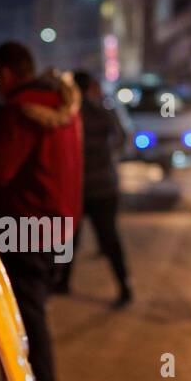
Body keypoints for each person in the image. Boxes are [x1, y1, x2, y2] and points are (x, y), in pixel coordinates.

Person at [0, 41, 82, 381]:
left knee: (26, 320)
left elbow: (0, 170)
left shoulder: (19, 111)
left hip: (24, 224)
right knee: (32, 311)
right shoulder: (66, 109)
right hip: (59, 226)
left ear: (8, 72)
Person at [54, 71, 131, 307]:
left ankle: (63, 281)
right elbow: (122, 137)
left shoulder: (70, 114)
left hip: (78, 187)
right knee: (109, 237)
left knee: (69, 238)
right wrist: (109, 157)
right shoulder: (104, 111)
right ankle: (124, 285)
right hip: (105, 186)